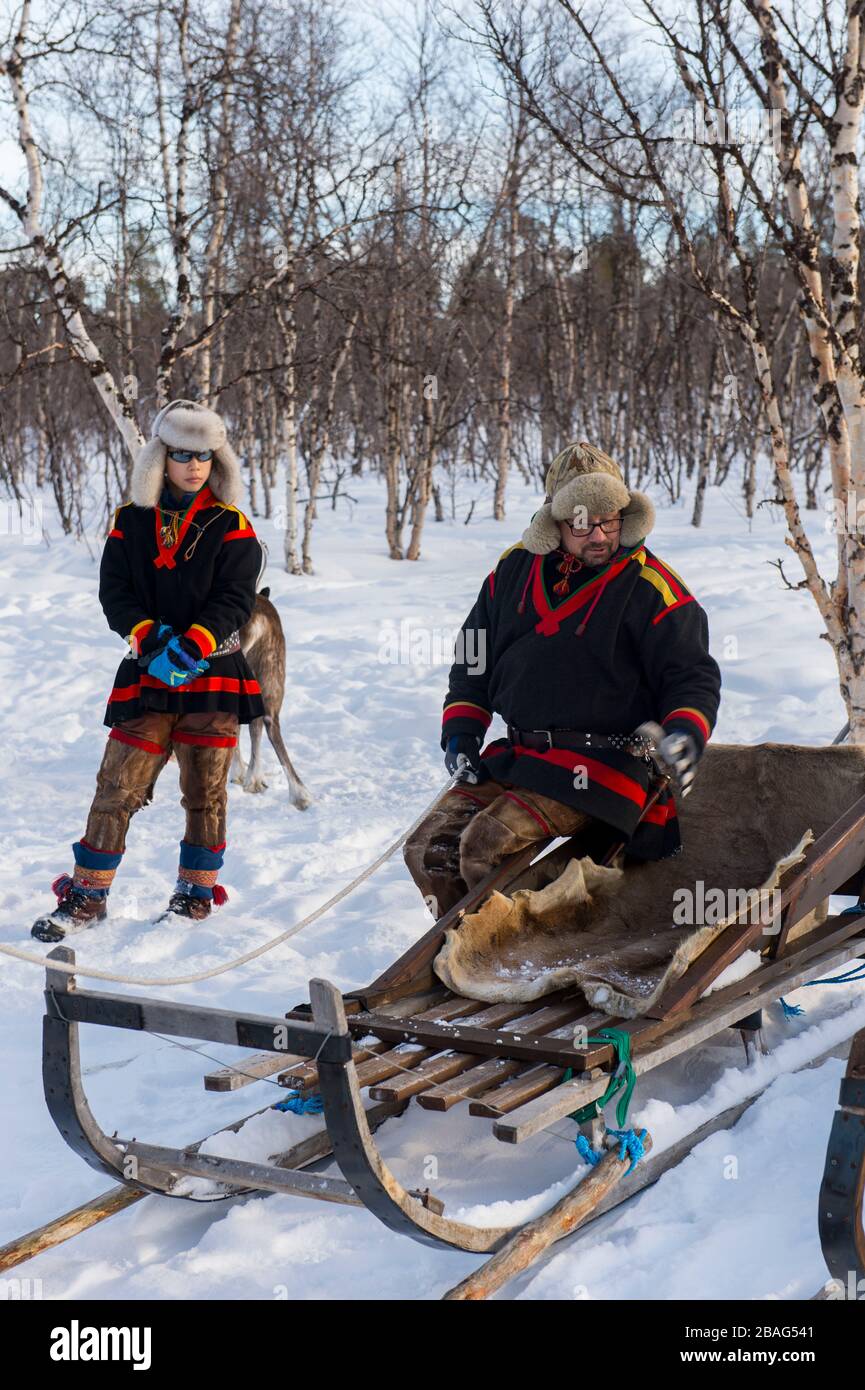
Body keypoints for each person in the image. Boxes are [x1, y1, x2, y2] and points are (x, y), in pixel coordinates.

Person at [404, 440, 722, 918]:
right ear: (554, 522)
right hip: (521, 757)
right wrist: (461, 734)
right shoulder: (513, 569)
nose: (599, 536)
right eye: (582, 522)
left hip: (605, 764)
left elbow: (691, 673)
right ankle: (464, 951)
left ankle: (509, 959)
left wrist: (683, 733)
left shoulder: (651, 585)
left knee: (483, 845)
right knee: (429, 849)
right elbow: (473, 658)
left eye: (610, 519)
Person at [31, 400, 265, 941]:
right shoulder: (130, 520)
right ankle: (87, 896)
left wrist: (194, 644)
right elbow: (114, 590)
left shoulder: (232, 525)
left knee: (205, 791)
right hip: (148, 671)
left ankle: (196, 893)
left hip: (213, 673)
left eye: (205, 457)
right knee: (116, 785)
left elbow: (236, 598)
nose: (195, 467)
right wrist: (149, 636)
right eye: (184, 455)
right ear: (161, 457)